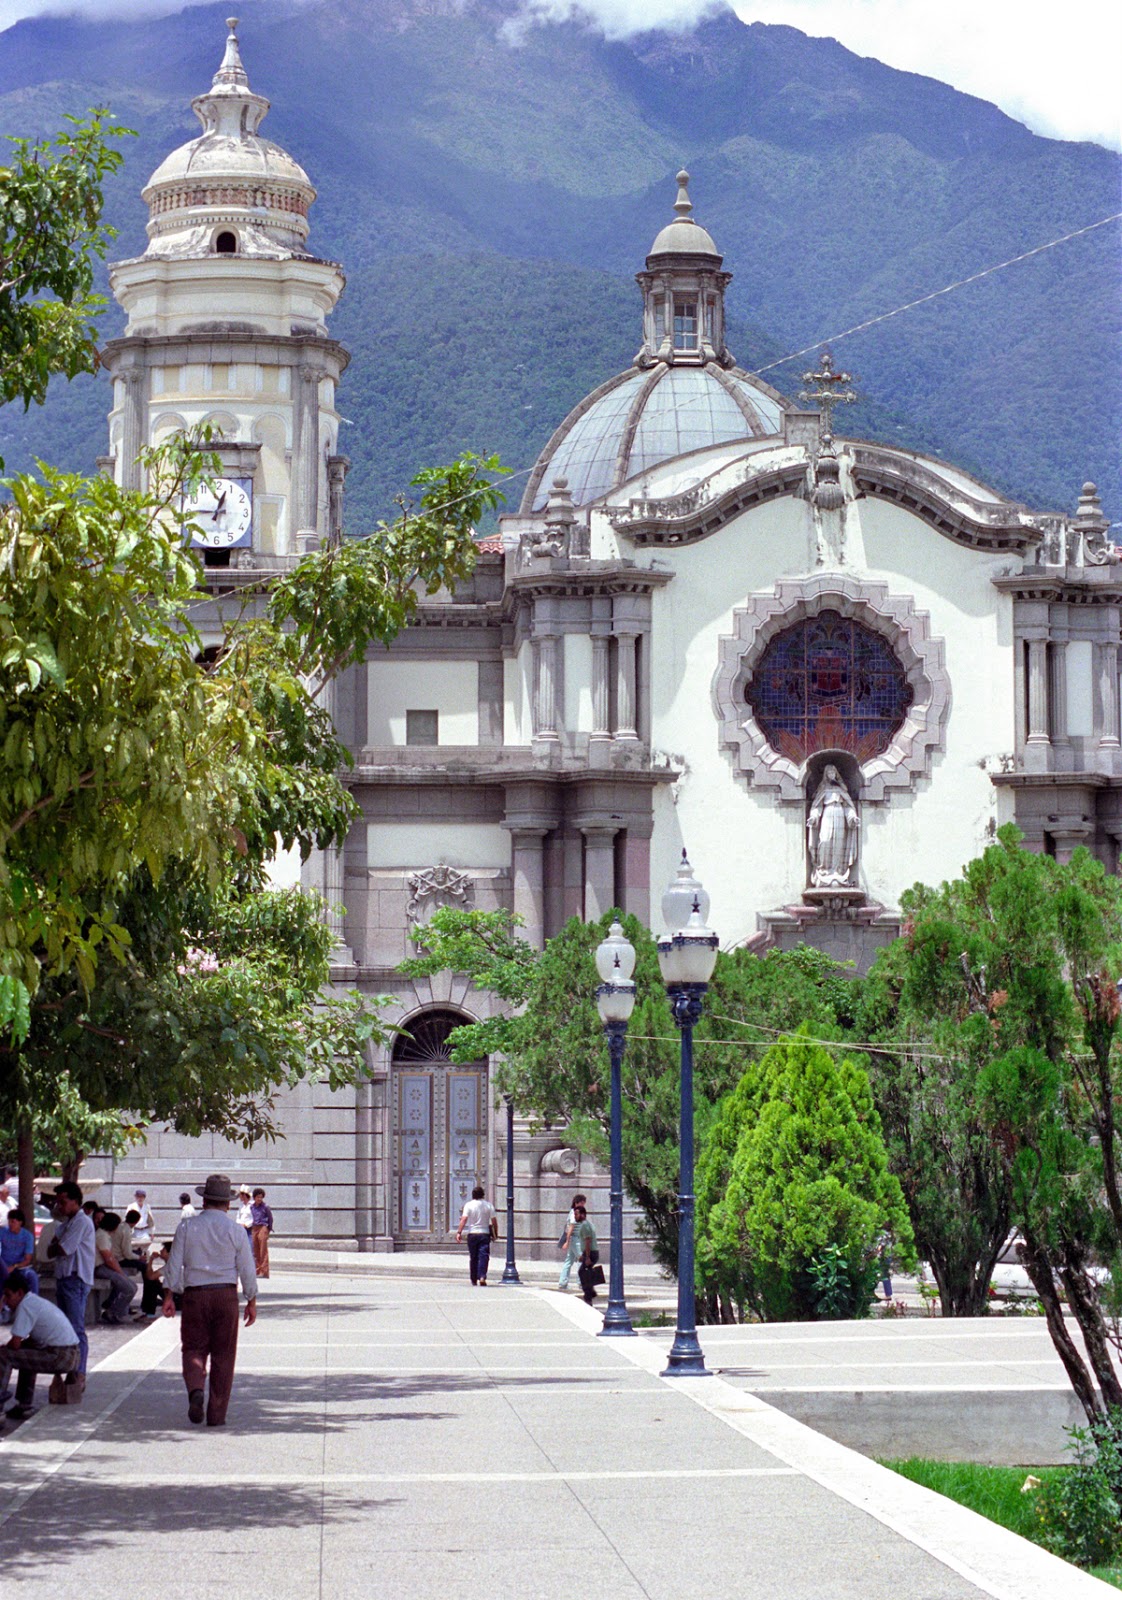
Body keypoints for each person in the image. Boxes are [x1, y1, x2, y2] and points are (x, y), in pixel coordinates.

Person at [163, 1173, 257, 1427]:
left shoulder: (187, 1227)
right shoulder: (236, 1230)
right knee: (224, 1355)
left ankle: (196, 1388)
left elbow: (174, 1263)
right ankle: (216, 1414)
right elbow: (247, 1268)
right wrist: (251, 1299)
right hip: (225, 1295)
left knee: (193, 1347)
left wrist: (169, 1294)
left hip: (195, 1295)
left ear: (204, 1201)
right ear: (228, 1204)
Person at [0, 1270, 80, 1422]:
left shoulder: (25, 1305)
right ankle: (24, 1405)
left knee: (4, 1356)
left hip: (60, 1356)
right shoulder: (33, 1301)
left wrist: (4, 1348)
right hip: (72, 1354)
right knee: (25, 1355)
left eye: (8, 1296)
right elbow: (27, 1343)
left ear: (19, 1293)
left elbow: (15, 1344)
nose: (6, 1301)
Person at [45, 1181, 95, 1400]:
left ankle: (79, 1372)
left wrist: (56, 1246)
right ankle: (69, 1369)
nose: (60, 1206)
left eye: (63, 1202)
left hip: (76, 1279)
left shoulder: (81, 1222)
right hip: (64, 1277)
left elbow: (63, 1248)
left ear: (75, 1201)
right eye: (58, 1202)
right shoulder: (66, 1224)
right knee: (65, 1328)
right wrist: (55, 1246)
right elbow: (50, 1250)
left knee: (76, 1328)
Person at [94, 1211, 137, 1324]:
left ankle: (112, 1309)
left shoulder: (105, 1235)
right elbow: (108, 1259)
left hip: (104, 1266)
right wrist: (120, 1272)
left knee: (132, 1286)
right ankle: (114, 1312)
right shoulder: (101, 1236)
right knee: (129, 1288)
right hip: (100, 1268)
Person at [455, 1185, 497, 1286]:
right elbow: (494, 1222)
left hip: (472, 1234)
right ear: (483, 1195)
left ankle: (473, 1278)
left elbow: (464, 1219)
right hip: (484, 1233)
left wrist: (459, 1232)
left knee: (473, 1257)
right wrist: (496, 1233)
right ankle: (482, 1276)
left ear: (473, 1195)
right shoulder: (488, 1205)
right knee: (484, 1256)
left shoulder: (468, 1205)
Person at [0, 1210, 39, 1296]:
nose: (10, 1224)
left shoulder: (27, 1236)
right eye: (9, 1221)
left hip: (20, 1267)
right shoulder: (2, 1232)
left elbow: (27, 1259)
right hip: (3, 1265)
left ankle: (34, 1299)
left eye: (13, 1222)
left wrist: (14, 1266)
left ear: (20, 1222)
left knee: (32, 1276)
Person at [557, 1192, 588, 1291]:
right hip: (575, 1239)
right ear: (576, 1203)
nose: (583, 1205)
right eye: (582, 1203)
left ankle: (563, 1282)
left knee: (569, 1260)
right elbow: (571, 1227)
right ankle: (581, 1283)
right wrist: (567, 1241)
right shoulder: (574, 1213)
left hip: (576, 1239)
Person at [572, 1204, 600, 1304]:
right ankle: (591, 1292)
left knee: (583, 1273)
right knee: (586, 1273)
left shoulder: (584, 1225)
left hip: (591, 1253)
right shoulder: (588, 1224)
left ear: (583, 1214)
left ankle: (589, 1296)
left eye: (576, 1214)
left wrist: (587, 1257)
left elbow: (588, 1241)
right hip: (591, 1252)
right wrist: (583, 1256)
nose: (575, 1216)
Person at [249, 1189, 273, 1280]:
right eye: (258, 1197)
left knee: (263, 1249)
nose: (259, 1199)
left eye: (261, 1197)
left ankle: (264, 1271)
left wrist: (268, 1229)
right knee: (255, 1249)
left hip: (263, 1226)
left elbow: (270, 1218)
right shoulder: (252, 1207)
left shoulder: (265, 1207)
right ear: (254, 1197)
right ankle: (257, 1270)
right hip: (254, 1227)